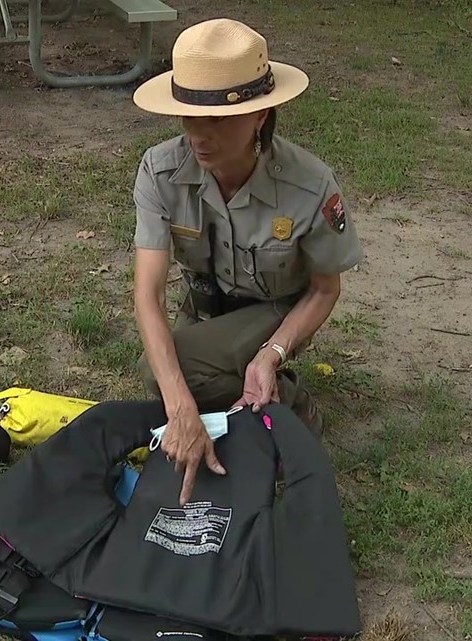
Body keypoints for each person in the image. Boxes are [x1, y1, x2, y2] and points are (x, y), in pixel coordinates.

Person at [129, 18, 363, 505]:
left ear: (261, 116)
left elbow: (325, 288)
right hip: (206, 309)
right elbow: (147, 294)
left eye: (217, 120)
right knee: (174, 383)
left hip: (276, 310)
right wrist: (180, 410)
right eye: (189, 117)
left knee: (169, 372)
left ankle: (293, 406)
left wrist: (272, 352)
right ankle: (253, 396)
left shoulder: (309, 185)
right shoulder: (160, 171)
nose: (199, 135)